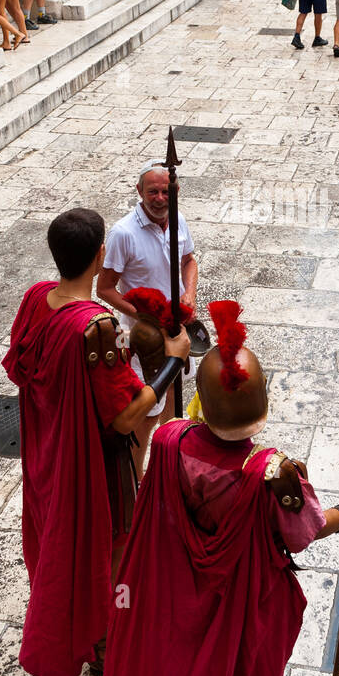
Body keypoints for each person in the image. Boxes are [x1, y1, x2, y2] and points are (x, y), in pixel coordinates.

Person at [104, 298, 339, 676]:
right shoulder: (275, 475)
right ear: (263, 406)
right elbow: (311, 529)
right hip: (245, 599)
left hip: (176, 589)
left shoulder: (169, 440)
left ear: (202, 405)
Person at [3, 207, 192, 676]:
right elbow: (125, 415)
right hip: (92, 464)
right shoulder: (95, 328)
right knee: (112, 550)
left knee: (56, 538)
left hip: (47, 450)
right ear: (100, 254)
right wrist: (172, 363)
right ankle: (105, 643)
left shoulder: (35, 298)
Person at [96, 162, 199, 479]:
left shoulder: (178, 219)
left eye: (166, 191)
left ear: (176, 192)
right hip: (145, 339)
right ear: (139, 192)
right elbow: (104, 288)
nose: (159, 197)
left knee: (171, 403)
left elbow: (189, 260)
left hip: (176, 329)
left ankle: (165, 473)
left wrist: (190, 294)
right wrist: (139, 313)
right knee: (145, 415)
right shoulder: (123, 234)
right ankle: (136, 485)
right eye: (152, 190)